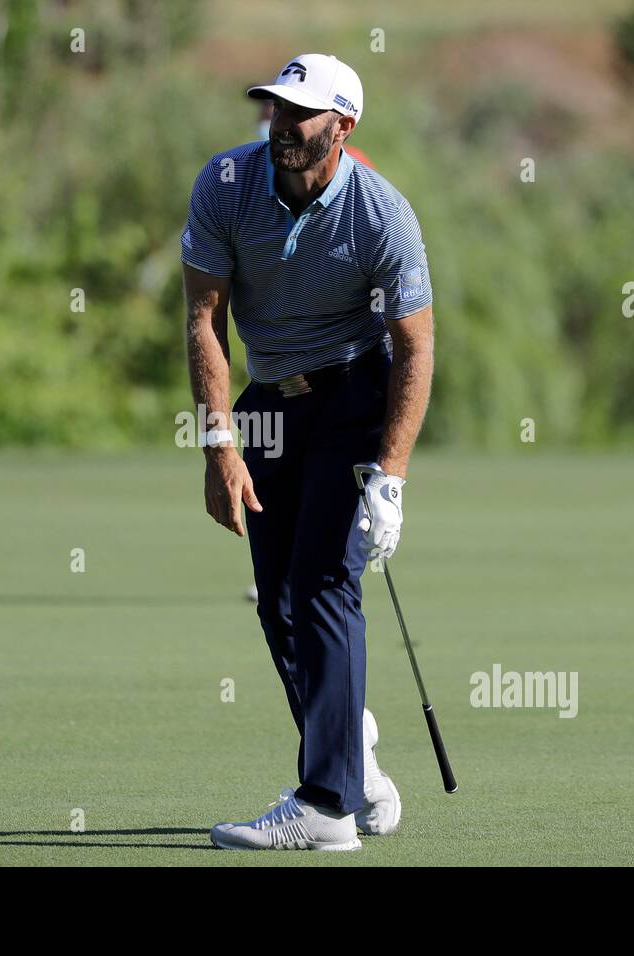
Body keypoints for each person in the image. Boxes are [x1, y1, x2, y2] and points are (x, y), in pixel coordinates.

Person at [182, 53, 435, 851]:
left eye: (300, 114)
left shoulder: (382, 214)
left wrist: (390, 480)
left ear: (342, 128)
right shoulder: (225, 186)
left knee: (325, 578)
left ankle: (326, 805)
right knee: (276, 599)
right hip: (269, 407)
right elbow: (203, 320)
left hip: (356, 395)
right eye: (274, 108)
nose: (281, 125)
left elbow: (416, 349)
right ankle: (350, 751)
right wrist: (219, 443)